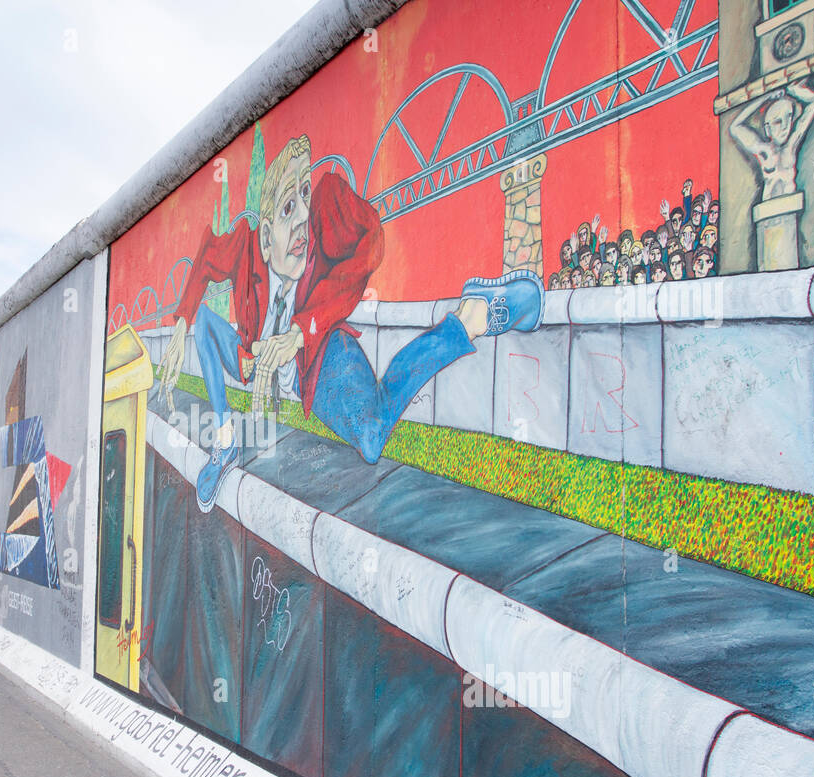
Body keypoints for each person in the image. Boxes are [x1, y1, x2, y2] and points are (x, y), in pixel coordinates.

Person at [158, 133, 543, 511]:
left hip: (321, 356)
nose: (304, 218)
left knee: (372, 439)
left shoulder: (327, 210)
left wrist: (298, 332)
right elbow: (207, 258)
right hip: (261, 357)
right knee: (206, 321)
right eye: (289, 208)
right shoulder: (247, 246)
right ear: (264, 237)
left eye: (304, 194)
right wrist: (180, 324)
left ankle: (470, 318)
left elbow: (370, 246)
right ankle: (224, 444)